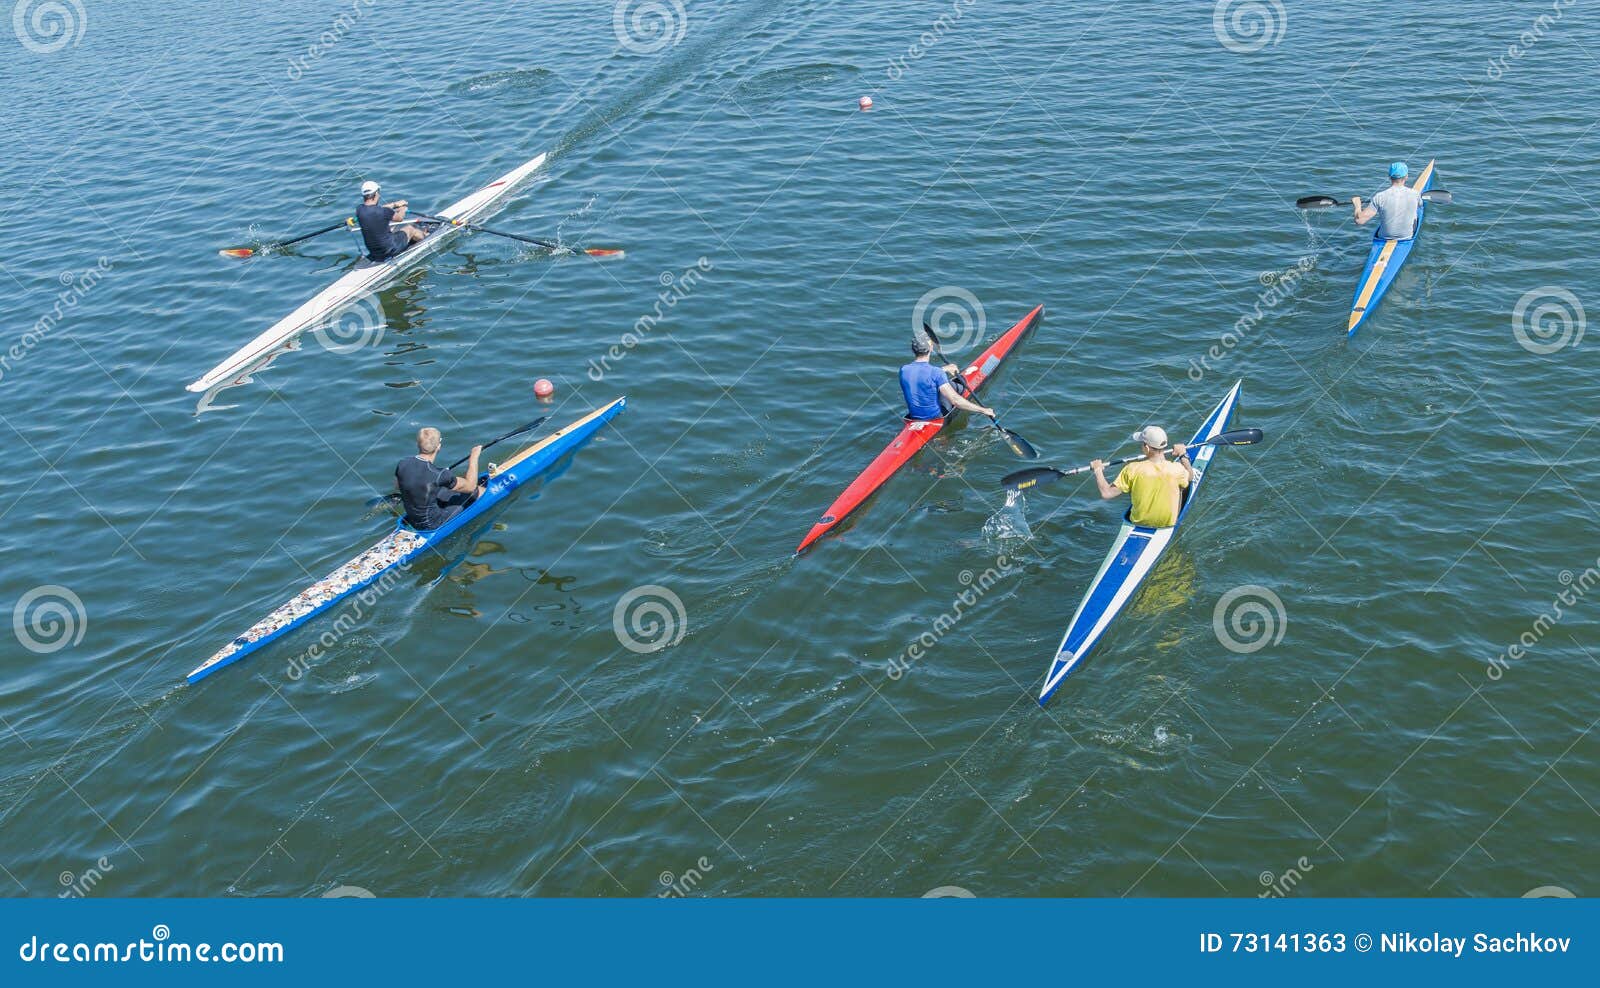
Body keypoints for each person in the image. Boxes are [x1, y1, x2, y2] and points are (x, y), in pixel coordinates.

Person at [1090, 425, 1195, 529]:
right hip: (1167, 525)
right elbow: (1190, 476)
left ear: (1147, 447)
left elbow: (1106, 493)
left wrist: (1098, 470)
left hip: (1138, 524)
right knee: (1182, 485)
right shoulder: (1177, 469)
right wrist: (1182, 454)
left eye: (1142, 444)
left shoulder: (1132, 469)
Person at [395, 428, 483, 531]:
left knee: (445, 488)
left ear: (417, 444)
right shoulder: (440, 474)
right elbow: (471, 487)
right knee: (477, 491)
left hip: (413, 520)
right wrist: (474, 458)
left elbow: (397, 486)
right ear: (438, 447)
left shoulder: (402, 463)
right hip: (433, 524)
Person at [899, 333, 995, 422]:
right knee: (958, 388)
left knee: (935, 385)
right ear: (931, 348)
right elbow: (955, 401)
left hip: (914, 417)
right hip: (936, 417)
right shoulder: (936, 372)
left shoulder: (903, 370)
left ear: (913, 350)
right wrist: (983, 410)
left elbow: (922, 373)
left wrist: (943, 369)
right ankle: (961, 389)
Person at [355, 179, 427, 262]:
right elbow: (400, 218)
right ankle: (425, 236)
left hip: (374, 251)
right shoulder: (384, 211)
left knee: (391, 227)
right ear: (376, 193)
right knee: (410, 229)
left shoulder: (359, 210)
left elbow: (378, 209)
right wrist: (403, 209)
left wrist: (395, 204)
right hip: (390, 249)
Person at [1352, 161, 1422, 240]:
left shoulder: (1379, 197)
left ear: (1389, 176)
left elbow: (1359, 221)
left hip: (1384, 237)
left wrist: (1357, 205)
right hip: (1407, 237)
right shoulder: (1415, 194)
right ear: (1406, 177)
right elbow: (1420, 205)